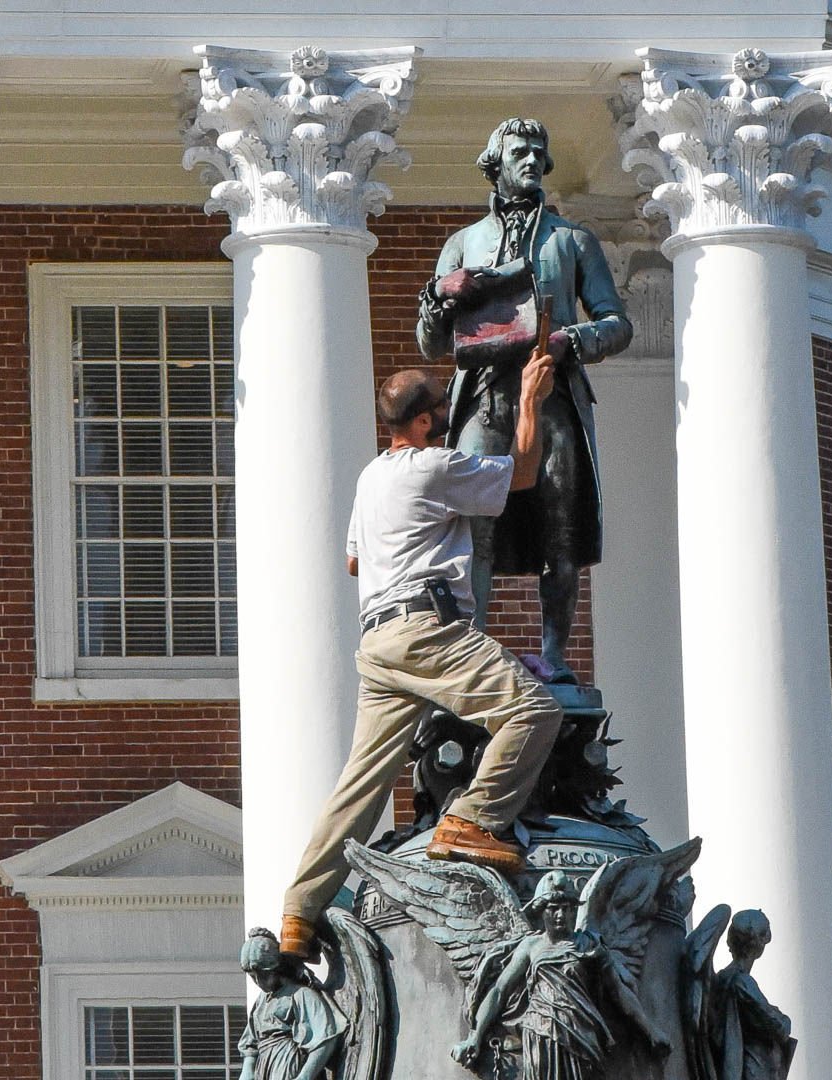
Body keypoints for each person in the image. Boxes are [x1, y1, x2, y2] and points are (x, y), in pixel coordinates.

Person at [279, 353, 564, 960]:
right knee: (533, 711)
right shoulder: (432, 468)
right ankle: (472, 818)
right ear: (427, 421)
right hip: (422, 628)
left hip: (378, 642)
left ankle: (299, 914)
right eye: (440, 404)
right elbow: (521, 474)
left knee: (360, 786)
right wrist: (532, 401)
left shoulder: (371, 477)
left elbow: (356, 561)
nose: (446, 410)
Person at [417, 117, 633, 683]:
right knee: (472, 528)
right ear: (496, 161)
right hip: (485, 397)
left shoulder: (572, 239)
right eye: (520, 151)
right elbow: (431, 342)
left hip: (553, 392)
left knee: (561, 530)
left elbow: (617, 323)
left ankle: (555, 657)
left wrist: (573, 340)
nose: (533, 159)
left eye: (540, 150)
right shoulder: (463, 244)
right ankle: (472, 657)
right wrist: (441, 299)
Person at [451, 870, 613, 1080]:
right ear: (541, 912)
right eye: (553, 909)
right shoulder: (531, 946)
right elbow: (500, 990)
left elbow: (617, 987)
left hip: (581, 1030)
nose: (560, 915)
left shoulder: (589, 944)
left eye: (567, 909)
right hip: (541, 1030)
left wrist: (650, 1029)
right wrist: (474, 1036)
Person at [238, 927, 347, 1080]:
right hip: (263, 1069)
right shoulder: (262, 1000)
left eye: (263, 974)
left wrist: (305, 1076)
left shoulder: (301, 994)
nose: (258, 982)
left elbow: (325, 1039)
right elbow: (250, 1042)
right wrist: (247, 1069)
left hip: (287, 1064)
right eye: (252, 976)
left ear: (277, 968)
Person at [711, 910, 796, 1080]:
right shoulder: (742, 983)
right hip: (753, 1070)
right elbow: (779, 1026)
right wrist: (781, 1017)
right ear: (758, 944)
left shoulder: (722, 978)